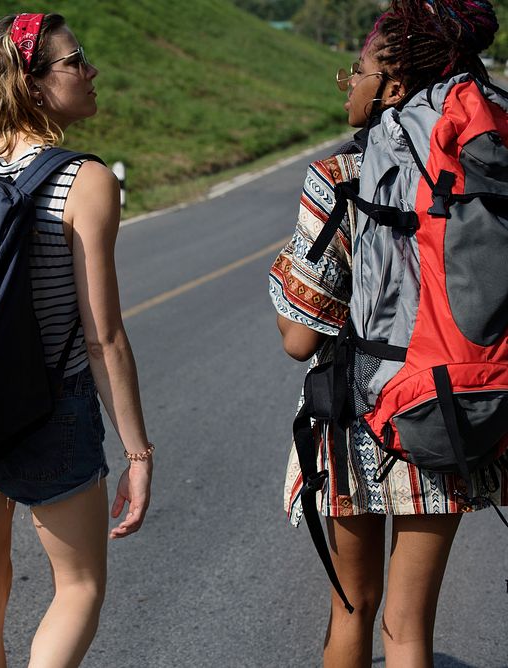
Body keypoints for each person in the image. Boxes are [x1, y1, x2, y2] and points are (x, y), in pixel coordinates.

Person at [0, 13, 153, 668]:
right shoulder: (85, 181)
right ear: (36, 83)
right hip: (54, 409)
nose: (92, 70)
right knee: (78, 586)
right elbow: (103, 336)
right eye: (77, 60)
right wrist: (138, 450)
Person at [269, 3, 505, 667]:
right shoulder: (479, 171)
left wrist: (286, 272)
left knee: (353, 612)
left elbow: (298, 339)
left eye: (361, 71)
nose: (349, 83)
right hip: (447, 408)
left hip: (355, 419)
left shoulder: (337, 178)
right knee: (408, 629)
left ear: (395, 87)